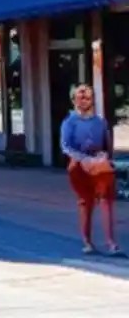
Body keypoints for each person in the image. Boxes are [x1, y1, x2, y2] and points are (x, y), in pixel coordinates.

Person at [60, 85, 121, 255]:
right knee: (85, 202)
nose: (85, 99)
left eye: (88, 96)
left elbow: (107, 145)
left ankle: (111, 242)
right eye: (81, 96)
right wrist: (84, 159)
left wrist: (104, 157)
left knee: (106, 201)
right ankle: (87, 242)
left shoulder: (100, 122)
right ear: (74, 100)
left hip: (100, 164)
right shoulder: (69, 122)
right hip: (79, 166)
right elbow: (65, 146)